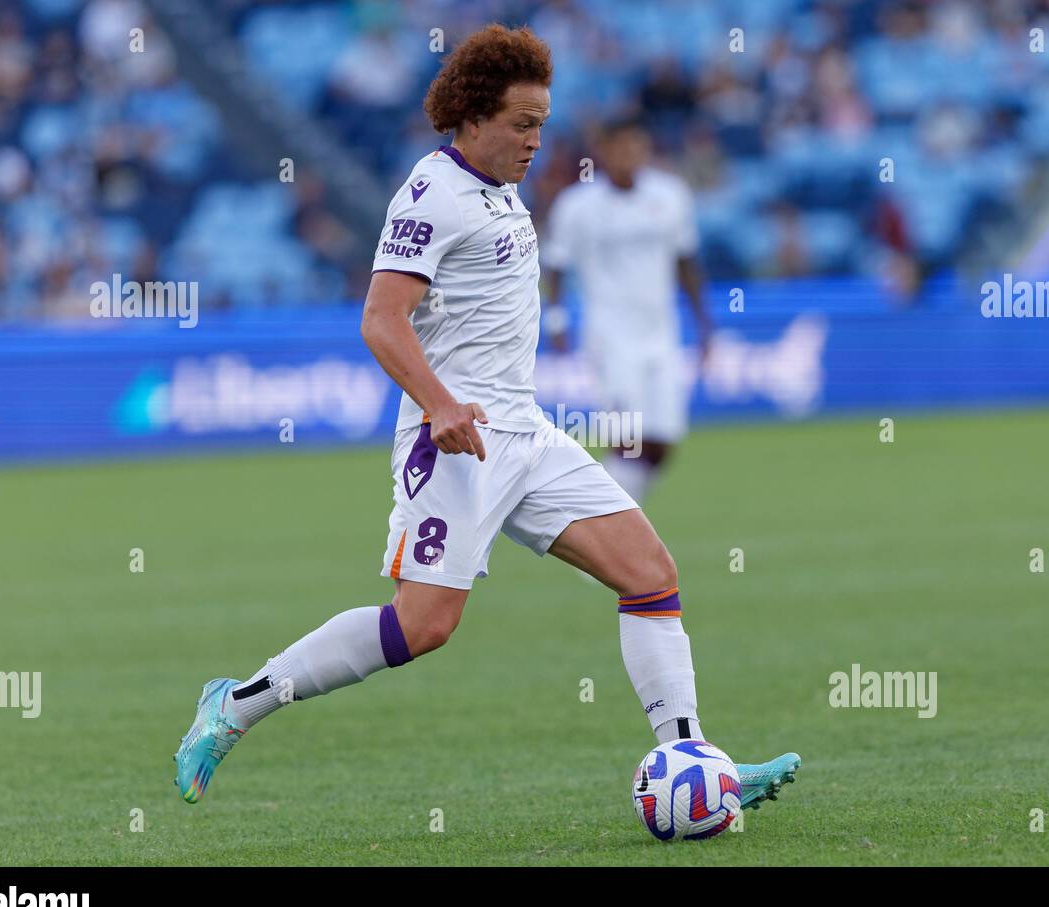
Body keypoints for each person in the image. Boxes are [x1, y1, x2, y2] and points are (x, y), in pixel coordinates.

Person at [174, 24, 798, 813]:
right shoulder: (431, 194)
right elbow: (380, 319)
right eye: (524, 124)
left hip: (525, 433)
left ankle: (693, 761)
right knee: (422, 627)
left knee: (651, 578)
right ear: (472, 117)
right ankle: (236, 704)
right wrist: (438, 405)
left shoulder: (499, 192)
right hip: (454, 442)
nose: (539, 140)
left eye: (542, 123)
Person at [542, 117, 715, 504]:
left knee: (662, 441)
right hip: (610, 334)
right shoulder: (577, 205)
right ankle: (606, 535)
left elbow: (685, 261)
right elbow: (555, 264)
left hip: (661, 331)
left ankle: (598, 518)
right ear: (602, 151)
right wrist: (555, 319)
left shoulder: (670, 195)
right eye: (619, 147)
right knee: (628, 437)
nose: (628, 156)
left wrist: (704, 323)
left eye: (636, 146)